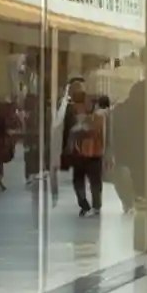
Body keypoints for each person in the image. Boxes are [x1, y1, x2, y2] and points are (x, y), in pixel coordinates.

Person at [62, 78, 106, 217]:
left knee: (86, 180)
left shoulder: (75, 110)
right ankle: (91, 205)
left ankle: (90, 205)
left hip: (87, 151)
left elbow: (69, 130)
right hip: (86, 152)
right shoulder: (74, 111)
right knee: (88, 180)